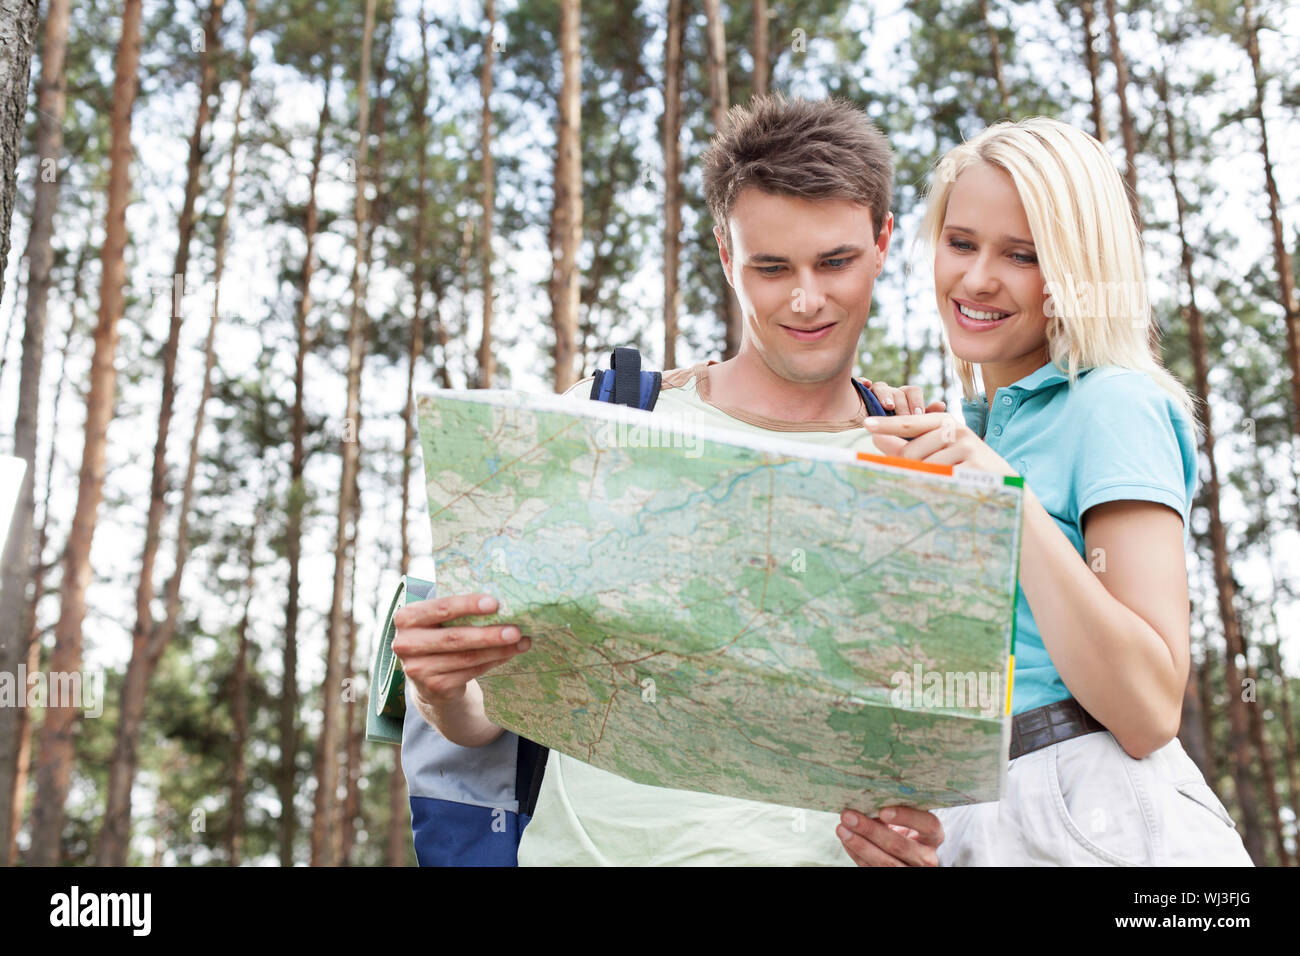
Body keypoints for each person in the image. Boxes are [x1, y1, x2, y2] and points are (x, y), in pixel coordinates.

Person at [390, 93, 946, 866]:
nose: (806, 298)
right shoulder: (600, 427)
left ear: (883, 241)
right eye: (770, 266)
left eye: (836, 261)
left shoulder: (927, 470)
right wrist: (441, 689)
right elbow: (490, 718)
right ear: (725, 253)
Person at [835, 117, 1254, 866]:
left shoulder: (1113, 403)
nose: (976, 279)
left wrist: (1004, 497)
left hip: (1098, 809)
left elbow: (1149, 708)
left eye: (1021, 255)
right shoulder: (965, 429)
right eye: (960, 243)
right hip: (978, 815)